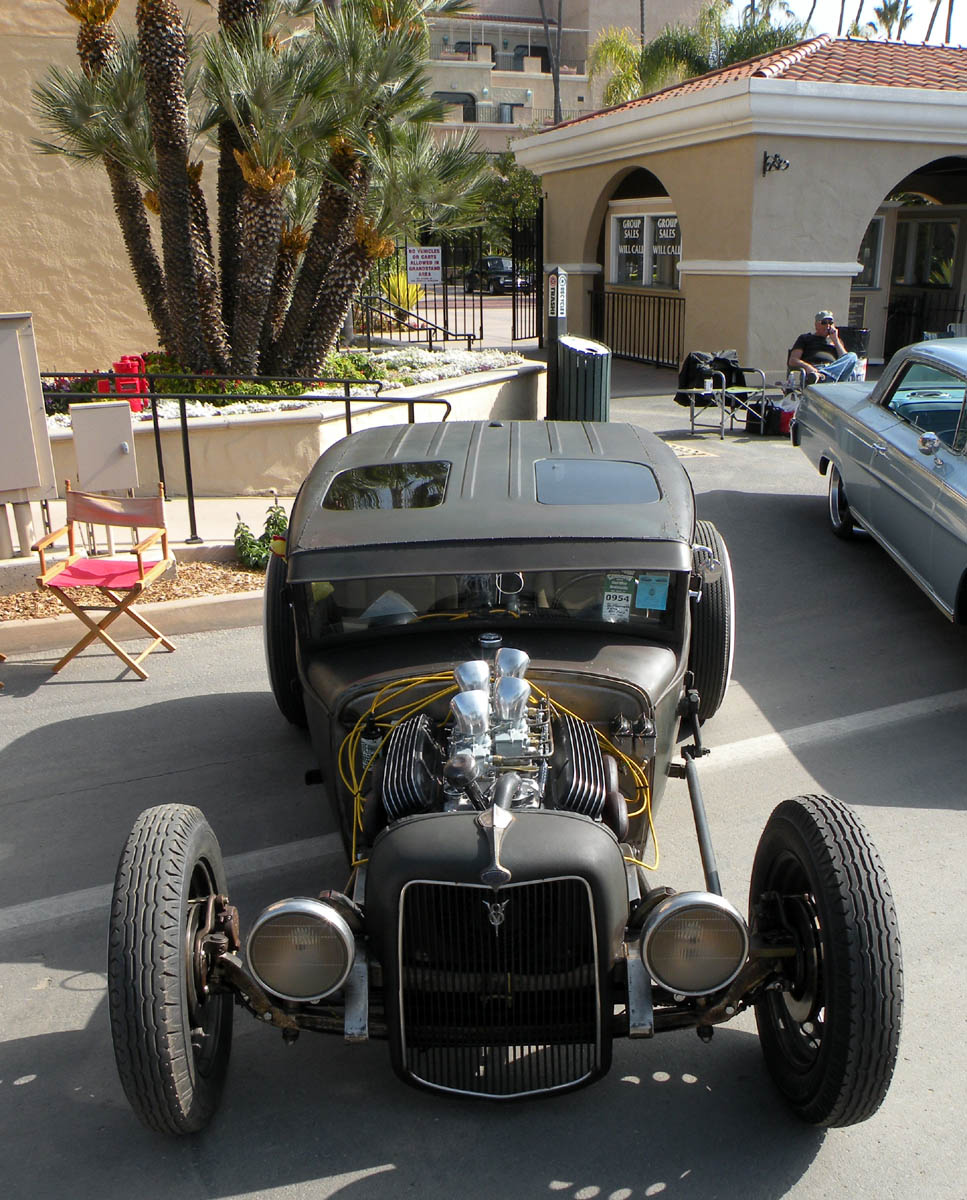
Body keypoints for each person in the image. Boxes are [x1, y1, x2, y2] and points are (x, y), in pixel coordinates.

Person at [788, 311, 859, 383]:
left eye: (830, 323)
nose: (828, 325)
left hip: (835, 373)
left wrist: (835, 340)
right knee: (817, 376)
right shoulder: (805, 338)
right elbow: (793, 360)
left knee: (853, 356)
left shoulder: (836, 341)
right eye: (824, 322)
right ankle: (822, 376)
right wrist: (807, 367)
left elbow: (845, 360)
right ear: (816, 325)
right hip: (815, 370)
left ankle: (823, 376)